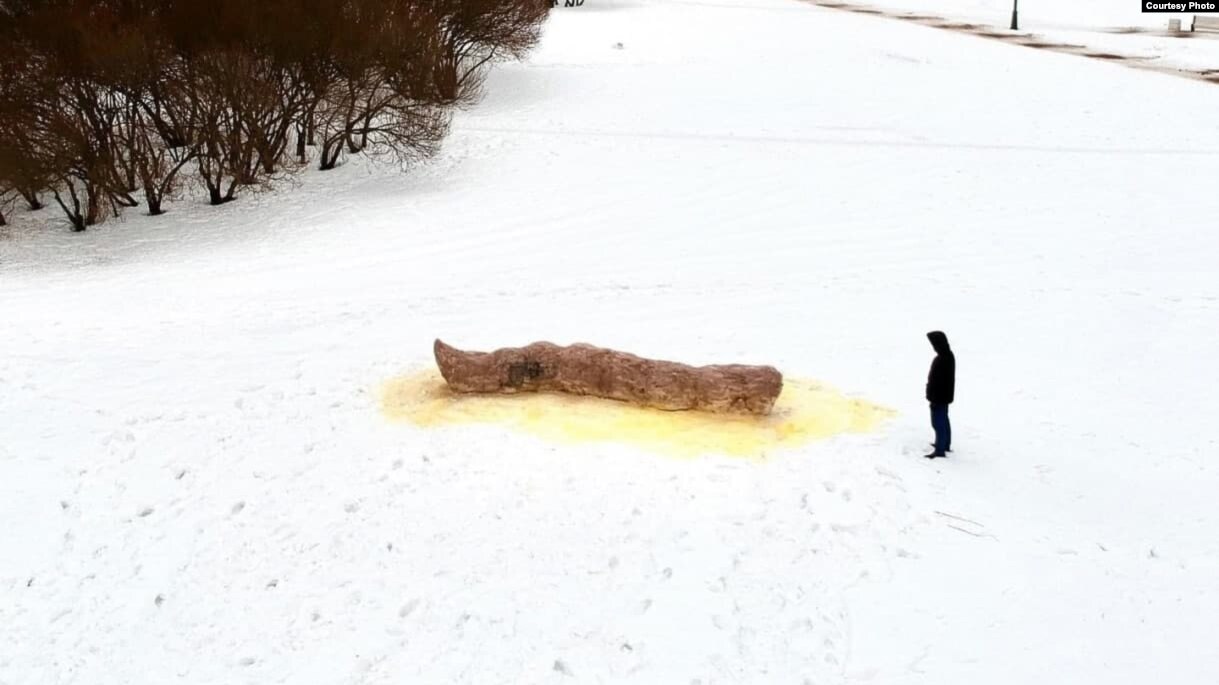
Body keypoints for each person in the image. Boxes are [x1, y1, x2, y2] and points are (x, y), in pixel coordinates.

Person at [924, 331, 955, 459]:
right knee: (943, 420)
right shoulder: (947, 355)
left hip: (939, 397)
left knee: (938, 423)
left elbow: (939, 381)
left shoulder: (943, 358)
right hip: (943, 396)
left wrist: (932, 395)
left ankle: (940, 450)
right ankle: (944, 444)